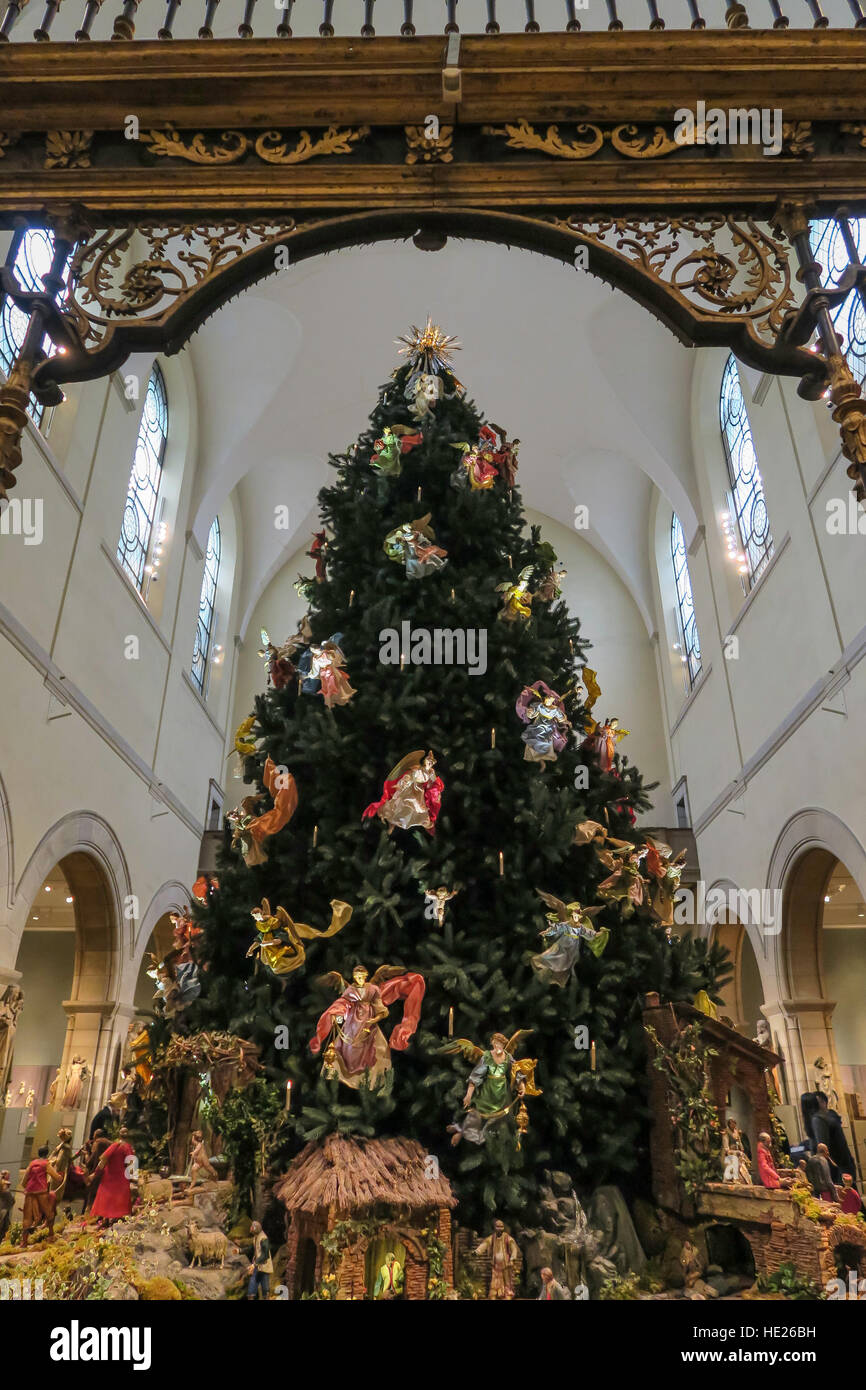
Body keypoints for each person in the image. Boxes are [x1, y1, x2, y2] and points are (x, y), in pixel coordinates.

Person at [90, 1127, 136, 1224]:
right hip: (120, 1177)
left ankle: (106, 1218)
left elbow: (103, 1161)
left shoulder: (113, 1145)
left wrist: (97, 1172)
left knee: (107, 1197)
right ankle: (115, 1217)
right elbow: (131, 1163)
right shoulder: (127, 1147)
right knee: (119, 1198)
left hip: (109, 1176)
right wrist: (132, 1177)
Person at [21, 1145, 62, 1247]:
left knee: (27, 1218)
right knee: (49, 1213)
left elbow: (23, 1182)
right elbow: (56, 1178)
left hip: (30, 1193)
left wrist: (29, 1188)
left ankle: (24, 1242)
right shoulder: (46, 1164)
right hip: (41, 1193)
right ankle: (51, 1233)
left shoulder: (31, 1164)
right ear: (46, 1154)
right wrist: (62, 1176)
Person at [811, 1093, 856, 1179]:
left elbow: (823, 1146)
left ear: (824, 1103)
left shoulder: (819, 1119)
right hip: (846, 1164)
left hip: (835, 1167)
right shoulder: (832, 1115)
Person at [474, 1220, 520, 1300]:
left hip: (506, 1265)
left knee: (507, 1281)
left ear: (503, 1228)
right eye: (497, 1227)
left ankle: (507, 1295)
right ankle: (494, 1295)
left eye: (501, 1226)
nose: (499, 1228)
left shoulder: (507, 1238)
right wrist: (477, 1252)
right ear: (495, 1228)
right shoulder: (492, 1238)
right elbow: (485, 1244)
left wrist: (512, 1259)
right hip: (496, 1266)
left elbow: (514, 1248)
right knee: (495, 1283)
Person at [247, 1220, 273, 1300]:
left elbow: (265, 1255)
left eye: (252, 1227)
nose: (250, 1228)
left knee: (265, 1289)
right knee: (252, 1288)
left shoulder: (264, 1239)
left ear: (255, 1228)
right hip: (256, 1267)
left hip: (264, 1267)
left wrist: (254, 1264)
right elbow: (252, 1248)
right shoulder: (255, 1237)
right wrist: (240, 1251)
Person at [0, 1170, 13, 1243]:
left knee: (5, 1226)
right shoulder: (3, 1185)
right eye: (8, 1175)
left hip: (6, 1208)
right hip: (3, 1209)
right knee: (3, 1225)